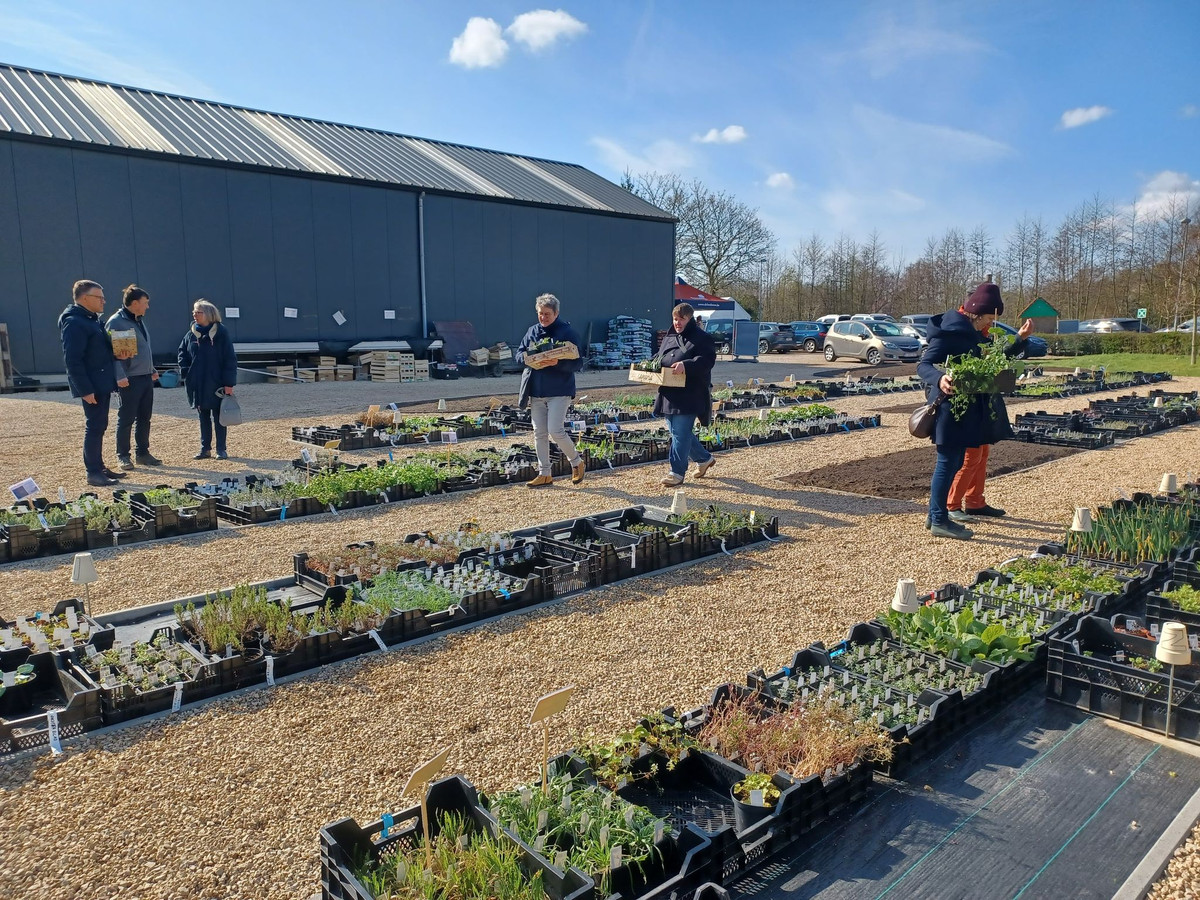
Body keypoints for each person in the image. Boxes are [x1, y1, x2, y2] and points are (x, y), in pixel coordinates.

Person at [917, 282, 1032, 540]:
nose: (990, 324)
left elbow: (993, 361)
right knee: (947, 463)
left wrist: (1019, 340)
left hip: (968, 407)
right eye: (989, 318)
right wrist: (939, 378)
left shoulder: (976, 333)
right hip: (949, 406)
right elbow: (923, 365)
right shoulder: (951, 332)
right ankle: (939, 520)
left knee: (955, 461)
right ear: (976, 312)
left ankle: (934, 515)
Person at [59, 280, 129, 487]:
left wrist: (119, 353)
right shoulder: (74, 322)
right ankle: (93, 472)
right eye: (99, 297)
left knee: (100, 425)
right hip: (92, 385)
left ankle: (99, 466)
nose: (104, 301)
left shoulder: (93, 320)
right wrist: (85, 389)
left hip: (102, 381)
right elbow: (72, 359)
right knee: (95, 426)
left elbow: (100, 351)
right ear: (85, 298)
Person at [515, 293, 587, 488]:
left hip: (559, 390)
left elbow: (578, 362)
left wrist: (557, 362)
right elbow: (518, 354)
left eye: (547, 314)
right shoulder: (532, 331)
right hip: (536, 390)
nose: (543, 317)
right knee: (539, 432)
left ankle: (577, 462)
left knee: (556, 430)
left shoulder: (567, 332)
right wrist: (527, 359)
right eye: (540, 313)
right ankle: (544, 473)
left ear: (556, 313)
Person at [652, 302, 717, 487]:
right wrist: (647, 366)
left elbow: (707, 361)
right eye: (675, 319)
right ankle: (704, 459)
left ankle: (676, 473)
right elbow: (659, 357)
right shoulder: (670, 337)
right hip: (668, 392)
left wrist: (686, 365)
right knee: (678, 432)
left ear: (690, 319)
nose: (677, 322)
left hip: (690, 393)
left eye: (682, 319)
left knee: (680, 433)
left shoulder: (702, 338)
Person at [106, 284, 161, 469]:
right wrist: (120, 376)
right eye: (146, 303)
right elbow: (115, 354)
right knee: (127, 417)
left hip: (145, 376)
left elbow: (143, 348)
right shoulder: (117, 322)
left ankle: (143, 453)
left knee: (145, 417)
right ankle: (123, 455)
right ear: (135, 303)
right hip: (129, 378)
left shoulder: (138, 320)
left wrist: (151, 368)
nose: (148, 306)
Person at [178, 299, 237, 460]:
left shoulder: (221, 332)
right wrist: (186, 372)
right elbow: (182, 352)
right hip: (198, 383)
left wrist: (229, 383)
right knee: (203, 416)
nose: (194, 315)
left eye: (198, 312)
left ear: (209, 314)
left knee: (219, 417)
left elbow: (230, 359)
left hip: (216, 382)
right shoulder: (191, 333)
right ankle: (205, 449)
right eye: (194, 312)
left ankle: (221, 449)